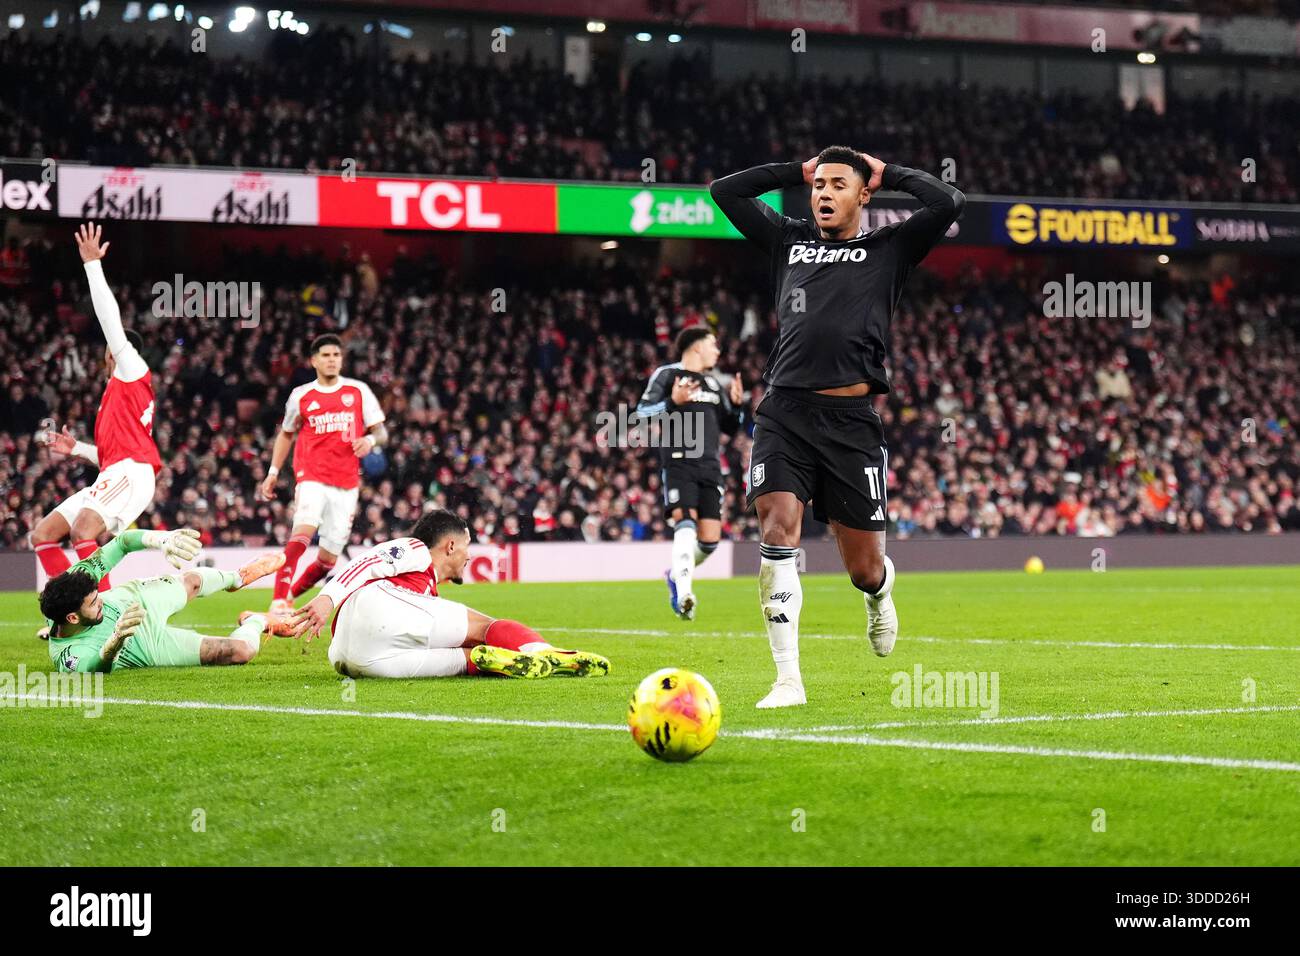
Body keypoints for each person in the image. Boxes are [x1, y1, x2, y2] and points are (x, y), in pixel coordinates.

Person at [711, 146, 964, 708]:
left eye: (837, 185)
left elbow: (949, 200)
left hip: (851, 424)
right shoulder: (788, 239)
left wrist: (892, 171)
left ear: (862, 195)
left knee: (863, 568)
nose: (823, 194)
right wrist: (790, 172)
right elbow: (724, 191)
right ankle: (787, 681)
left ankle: (879, 594)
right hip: (785, 412)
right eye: (817, 185)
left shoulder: (889, 247)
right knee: (776, 531)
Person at [291, 510, 611, 681]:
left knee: (468, 658)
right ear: (451, 546)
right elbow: (369, 561)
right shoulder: (416, 549)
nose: (470, 557)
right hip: (368, 611)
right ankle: (553, 654)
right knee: (483, 628)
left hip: (354, 662)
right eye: (467, 548)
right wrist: (327, 598)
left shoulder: (424, 590)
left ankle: (502, 662)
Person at [30, 223, 163, 600]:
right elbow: (110, 454)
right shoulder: (115, 396)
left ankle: (103, 610)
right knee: (43, 535)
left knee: (83, 531)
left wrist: (92, 265)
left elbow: (111, 322)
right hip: (115, 468)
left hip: (132, 472)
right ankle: (70, 606)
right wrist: (77, 449)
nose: (110, 349)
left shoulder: (132, 369)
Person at [257, 333, 387, 631]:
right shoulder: (301, 395)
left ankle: (288, 599)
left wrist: (369, 440)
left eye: (336, 355)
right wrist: (273, 472)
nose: (332, 360)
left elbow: (382, 433)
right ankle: (278, 601)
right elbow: (287, 433)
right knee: (302, 532)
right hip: (312, 475)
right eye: (326, 355)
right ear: (314, 360)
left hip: (347, 482)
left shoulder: (358, 391)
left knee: (327, 560)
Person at [38, 528, 284, 673]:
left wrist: (161, 539)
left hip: (134, 600)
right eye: (93, 603)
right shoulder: (69, 654)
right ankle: (256, 621)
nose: (99, 601)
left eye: (96, 596)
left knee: (191, 582)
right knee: (240, 652)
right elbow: (94, 669)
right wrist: (114, 642)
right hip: (149, 647)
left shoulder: (76, 580)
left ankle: (237, 578)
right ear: (72, 618)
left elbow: (123, 542)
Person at [636, 327, 743, 620]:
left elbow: (730, 428)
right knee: (685, 523)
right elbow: (642, 412)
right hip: (679, 462)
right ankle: (684, 593)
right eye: (713, 345)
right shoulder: (667, 375)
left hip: (710, 466)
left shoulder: (712, 383)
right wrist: (673, 402)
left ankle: (674, 575)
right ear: (696, 348)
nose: (717, 351)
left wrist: (736, 406)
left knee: (709, 542)